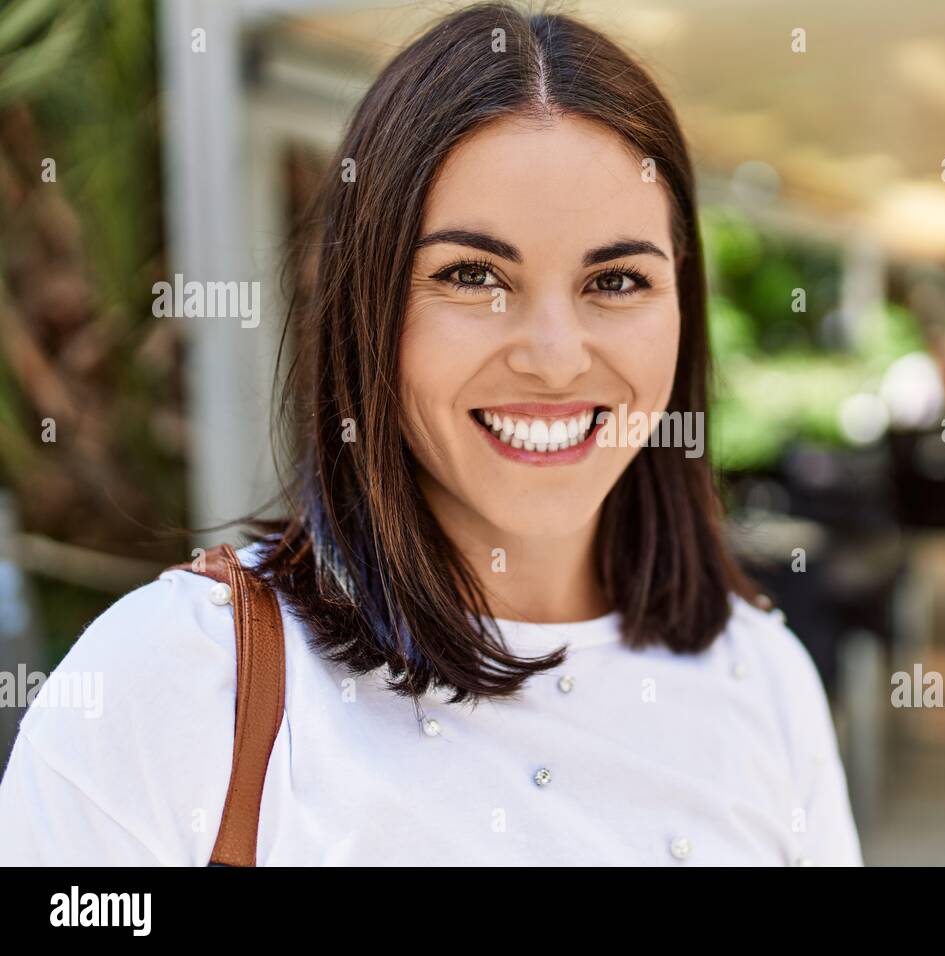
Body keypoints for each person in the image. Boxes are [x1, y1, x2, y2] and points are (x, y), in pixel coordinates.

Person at [0, 1, 863, 866]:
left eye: (616, 280)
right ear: (367, 307)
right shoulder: (173, 683)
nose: (556, 359)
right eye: (473, 274)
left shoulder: (767, 682)